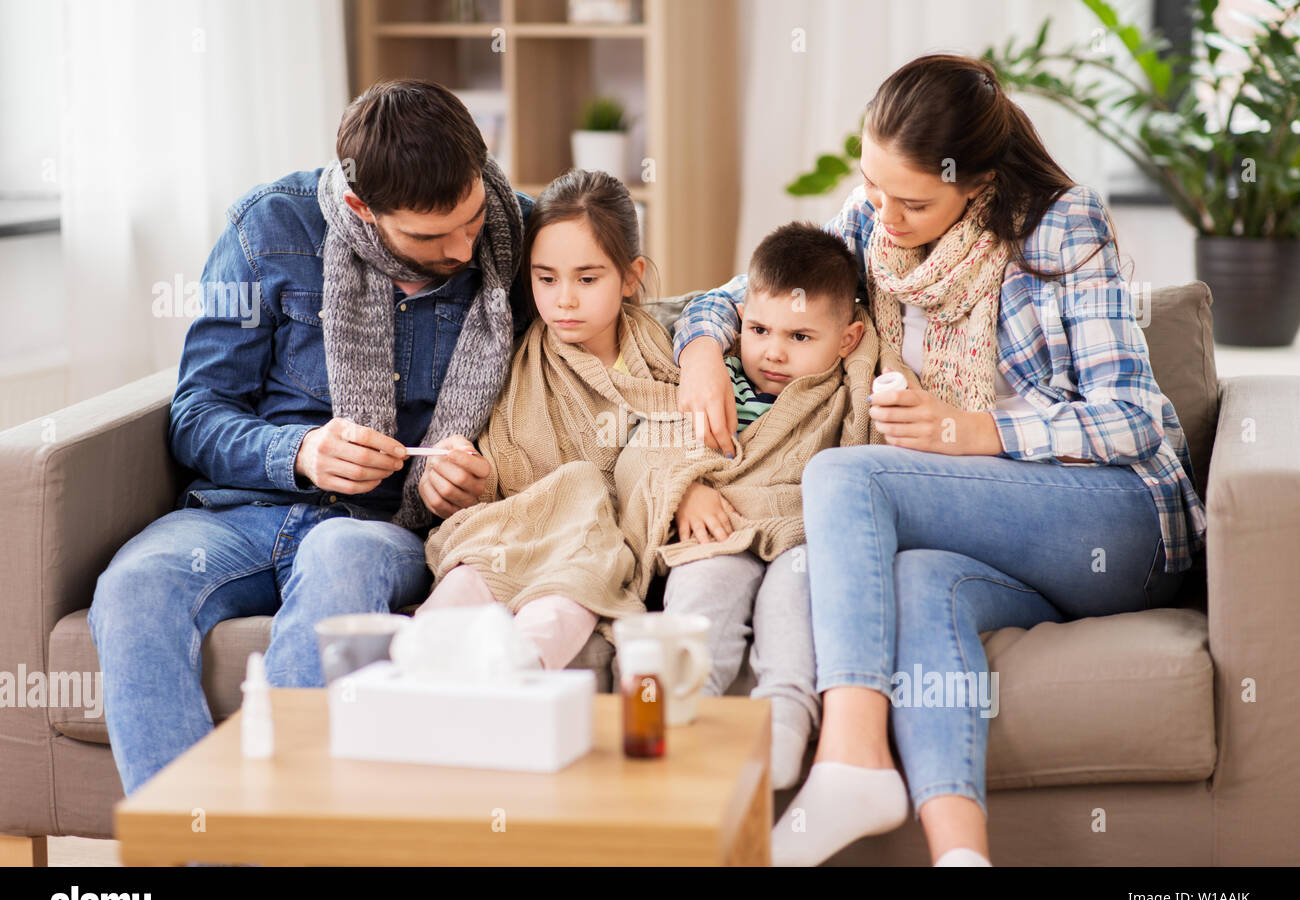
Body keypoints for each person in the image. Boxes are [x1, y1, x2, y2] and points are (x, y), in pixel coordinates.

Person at [672, 54, 1206, 866]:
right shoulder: (869, 224)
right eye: (873, 187)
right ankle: (962, 853)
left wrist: (969, 431)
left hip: (1113, 518)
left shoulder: (1061, 225)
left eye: (912, 200)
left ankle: (850, 754)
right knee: (918, 580)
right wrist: (702, 351)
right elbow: (749, 293)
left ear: (976, 180)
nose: (883, 214)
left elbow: (1136, 419)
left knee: (846, 475)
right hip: (993, 538)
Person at [87, 79, 533, 795]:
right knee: (134, 587)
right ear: (361, 206)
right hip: (241, 514)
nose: (462, 248)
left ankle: (291, 827)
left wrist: (482, 476)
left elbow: (642, 301)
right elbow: (197, 412)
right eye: (428, 235)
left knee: (337, 558)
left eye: (471, 219)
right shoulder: (268, 229)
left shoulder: (522, 238)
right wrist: (298, 451)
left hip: (383, 523)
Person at [416, 169, 681, 668]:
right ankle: (419, 674)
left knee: (564, 598)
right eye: (546, 279)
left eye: (587, 278)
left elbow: (681, 437)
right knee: (464, 582)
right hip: (518, 530)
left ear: (630, 276)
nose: (564, 299)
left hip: (596, 544)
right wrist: (466, 477)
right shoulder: (518, 357)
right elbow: (502, 467)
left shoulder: (663, 356)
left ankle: (517, 680)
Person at [657, 222, 883, 789]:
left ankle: (783, 728)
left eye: (800, 338)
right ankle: (683, 727)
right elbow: (651, 442)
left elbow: (871, 456)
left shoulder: (849, 384)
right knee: (700, 599)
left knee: (794, 603)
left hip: (799, 529)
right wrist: (685, 487)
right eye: (758, 329)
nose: (773, 352)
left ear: (849, 340)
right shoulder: (720, 376)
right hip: (721, 522)